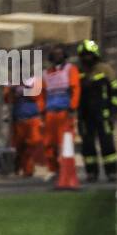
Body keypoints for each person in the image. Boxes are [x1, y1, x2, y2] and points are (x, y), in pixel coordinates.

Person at [75, 39, 117, 181]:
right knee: (87, 145)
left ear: (95, 54)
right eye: (83, 55)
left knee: (107, 143)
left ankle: (111, 171)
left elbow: (115, 91)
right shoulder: (78, 72)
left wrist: (113, 111)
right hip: (85, 116)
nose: (86, 58)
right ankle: (91, 172)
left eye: (88, 54)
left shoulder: (105, 69)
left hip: (103, 114)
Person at [38, 43, 80, 175]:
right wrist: (42, 110)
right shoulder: (45, 73)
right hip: (50, 112)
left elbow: (75, 88)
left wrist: (72, 106)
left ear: (64, 55)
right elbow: (41, 94)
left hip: (64, 112)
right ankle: (53, 169)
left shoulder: (70, 69)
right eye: (55, 54)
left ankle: (65, 167)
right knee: (49, 143)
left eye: (60, 54)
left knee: (65, 141)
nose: (58, 56)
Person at [4, 76, 44, 176]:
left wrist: (23, 88)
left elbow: (37, 96)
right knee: (18, 146)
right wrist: (11, 89)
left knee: (31, 145)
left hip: (32, 118)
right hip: (18, 118)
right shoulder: (13, 82)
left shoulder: (35, 80)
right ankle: (17, 168)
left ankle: (28, 170)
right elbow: (7, 99)